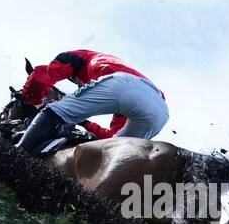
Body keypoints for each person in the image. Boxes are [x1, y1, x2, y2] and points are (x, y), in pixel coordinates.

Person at [17, 49, 169, 154]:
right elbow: (110, 136)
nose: (78, 84)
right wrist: (85, 123)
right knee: (114, 149)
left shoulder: (77, 57)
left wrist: (29, 101)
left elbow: (40, 78)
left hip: (121, 83)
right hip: (160, 111)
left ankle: (16, 154)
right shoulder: (124, 89)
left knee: (56, 111)